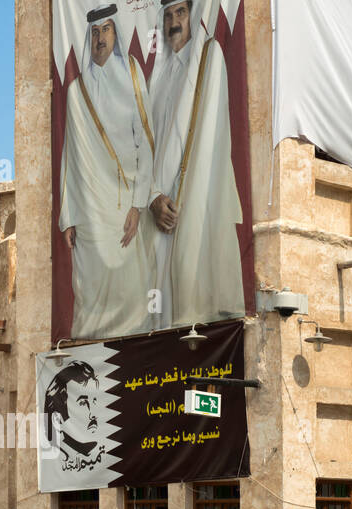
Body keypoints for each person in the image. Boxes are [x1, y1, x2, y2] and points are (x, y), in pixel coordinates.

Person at [58, 3, 157, 340]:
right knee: (90, 285)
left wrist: (137, 203)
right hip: (88, 208)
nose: (101, 38)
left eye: (107, 30)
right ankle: (89, 342)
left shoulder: (131, 73)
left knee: (131, 284)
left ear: (117, 34)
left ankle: (135, 345)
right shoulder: (76, 91)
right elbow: (69, 155)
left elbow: (146, 140)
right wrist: (68, 215)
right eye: (95, 32)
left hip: (124, 200)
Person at [148, 0, 245, 328]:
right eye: (168, 15)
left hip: (195, 200)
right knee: (160, 315)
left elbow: (201, 140)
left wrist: (168, 198)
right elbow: (147, 147)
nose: (174, 22)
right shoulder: (158, 76)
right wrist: (153, 196)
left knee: (194, 304)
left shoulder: (208, 56)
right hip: (160, 210)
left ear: (193, 14)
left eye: (181, 13)